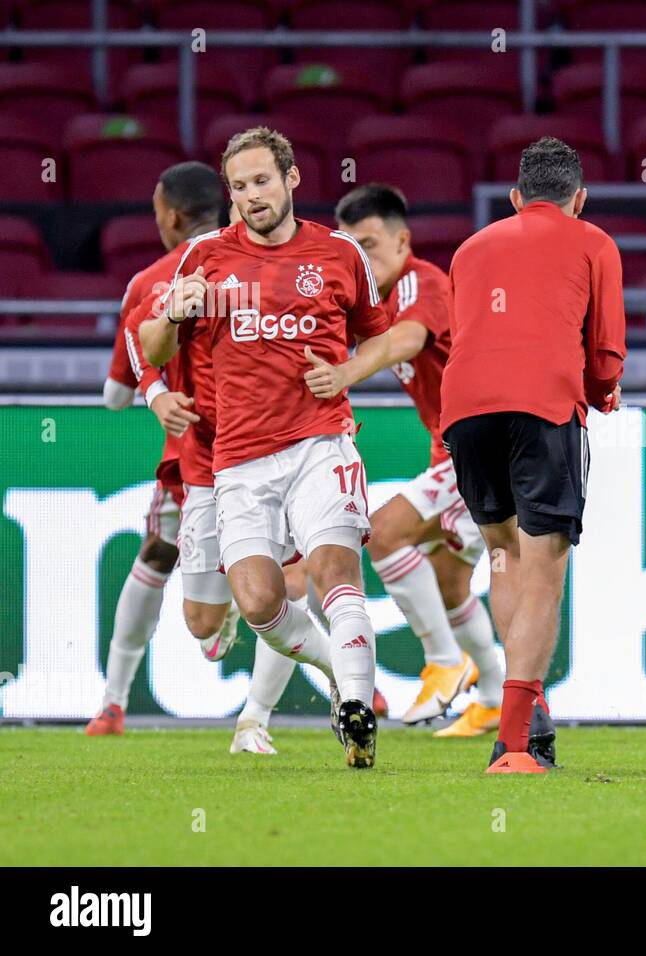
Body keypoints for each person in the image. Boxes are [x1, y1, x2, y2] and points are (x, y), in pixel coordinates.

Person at [140, 126, 393, 768]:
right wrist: (174, 314)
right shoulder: (203, 256)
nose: (252, 196)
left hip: (320, 442)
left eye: (262, 181)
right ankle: (344, 671)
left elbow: (382, 339)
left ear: (291, 179)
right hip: (239, 458)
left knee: (334, 568)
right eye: (240, 186)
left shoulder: (338, 254)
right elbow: (151, 346)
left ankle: (358, 711)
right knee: (257, 602)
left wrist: (344, 375)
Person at [440, 137, 626, 773]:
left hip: (463, 409)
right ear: (579, 198)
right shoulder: (594, 241)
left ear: (516, 198)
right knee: (545, 567)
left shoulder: (468, 249)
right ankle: (514, 745)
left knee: (504, 556)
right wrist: (602, 396)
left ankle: (530, 709)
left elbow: (470, 331)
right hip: (543, 406)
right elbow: (603, 354)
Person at [335, 183, 505, 735]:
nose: (362, 259)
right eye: (350, 249)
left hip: (484, 443)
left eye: (370, 244)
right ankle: (497, 699)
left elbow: (408, 340)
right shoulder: (375, 299)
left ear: (402, 239)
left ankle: (446, 663)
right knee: (451, 584)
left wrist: (344, 372)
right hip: (459, 447)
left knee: (383, 534)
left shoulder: (421, 281)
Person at [85, 162, 231, 736]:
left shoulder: (150, 283)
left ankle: (112, 703)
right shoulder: (260, 265)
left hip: (193, 459)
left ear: (169, 215)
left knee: (155, 556)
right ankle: (357, 693)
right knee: (302, 562)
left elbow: (116, 396)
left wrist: (153, 386)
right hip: (278, 447)